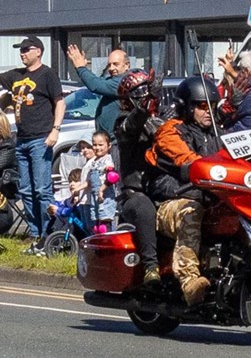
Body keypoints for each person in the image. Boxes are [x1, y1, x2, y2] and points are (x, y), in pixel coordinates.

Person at [0, 35, 65, 252]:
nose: (22, 53)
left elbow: (59, 102)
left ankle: (50, 235)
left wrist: (55, 130)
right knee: (26, 189)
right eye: (20, 50)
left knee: (42, 189)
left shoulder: (47, 74)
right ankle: (35, 235)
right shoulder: (16, 75)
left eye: (26, 49)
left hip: (41, 138)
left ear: (38, 51)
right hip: (21, 140)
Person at [145, 76, 222, 306]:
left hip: (208, 197)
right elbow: (188, 160)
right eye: (201, 106)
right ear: (187, 107)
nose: (208, 111)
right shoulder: (170, 132)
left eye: (212, 106)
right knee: (191, 211)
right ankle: (189, 281)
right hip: (169, 202)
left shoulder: (216, 132)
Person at [113, 69, 162, 284]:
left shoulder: (165, 117)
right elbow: (130, 126)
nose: (146, 96)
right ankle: (151, 267)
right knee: (145, 209)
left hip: (164, 186)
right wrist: (143, 108)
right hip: (136, 193)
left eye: (149, 91)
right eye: (141, 93)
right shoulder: (123, 122)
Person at [66, 45, 130, 140]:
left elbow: (96, 85)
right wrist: (83, 68)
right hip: (107, 139)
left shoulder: (124, 82)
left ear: (127, 65)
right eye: (109, 64)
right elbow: (98, 81)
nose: (111, 68)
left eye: (116, 64)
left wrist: (81, 68)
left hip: (118, 141)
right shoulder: (113, 80)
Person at [80, 130, 118, 232]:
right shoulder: (94, 161)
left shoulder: (107, 160)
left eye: (101, 145)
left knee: (104, 225)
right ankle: (100, 246)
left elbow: (112, 177)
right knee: (96, 225)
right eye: (95, 145)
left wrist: (102, 189)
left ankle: (109, 245)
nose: (97, 148)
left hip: (105, 196)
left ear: (109, 145)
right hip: (95, 196)